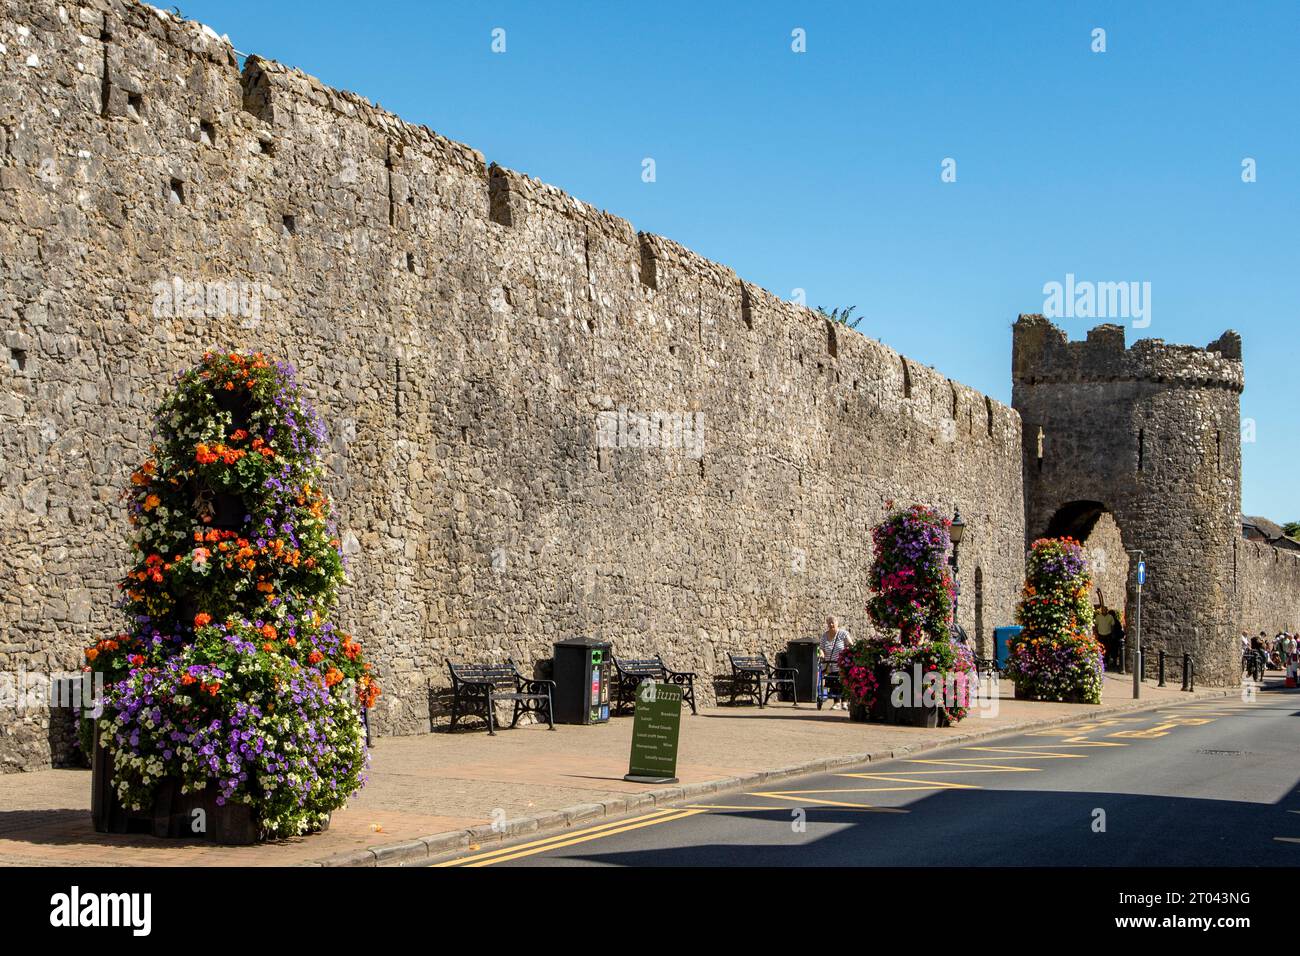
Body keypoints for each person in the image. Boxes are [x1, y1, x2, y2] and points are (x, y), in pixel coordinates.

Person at [818, 616, 852, 710]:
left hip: (842, 664)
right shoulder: (825, 635)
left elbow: (850, 645)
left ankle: (844, 702)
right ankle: (836, 702)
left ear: (837, 623)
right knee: (833, 682)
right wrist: (821, 654)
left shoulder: (843, 634)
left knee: (843, 682)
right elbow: (821, 648)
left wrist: (847, 653)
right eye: (829, 623)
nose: (831, 624)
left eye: (832, 622)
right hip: (830, 664)